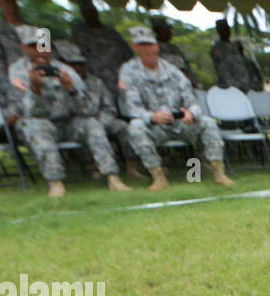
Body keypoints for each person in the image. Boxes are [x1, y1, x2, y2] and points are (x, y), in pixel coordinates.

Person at [7, 26, 129, 196]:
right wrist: (35, 89)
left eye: (43, 45)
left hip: (68, 121)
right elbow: (28, 111)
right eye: (33, 46)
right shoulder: (17, 72)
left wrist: (71, 89)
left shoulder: (65, 70)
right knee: (37, 127)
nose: (39, 51)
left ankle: (113, 177)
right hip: (40, 121)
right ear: (23, 48)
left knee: (92, 124)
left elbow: (85, 109)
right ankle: (56, 183)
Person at [119, 25, 234, 191]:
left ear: (156, 46)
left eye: (149, 45)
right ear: (134, 47)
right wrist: (152, 117)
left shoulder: (172, 70)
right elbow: (131, 107)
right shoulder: (128, 71)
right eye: (142, 45)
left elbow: (192, 100)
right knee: (135, 127)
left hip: (180, 122)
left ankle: (219, 172)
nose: (147, 49)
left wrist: (191, 113)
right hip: (155, 126)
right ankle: (158, 176)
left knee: (208, 122)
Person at [55, 39, 143, 183]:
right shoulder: (59, 85)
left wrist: (101, 120)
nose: (77, 68)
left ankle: (131, 166)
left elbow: (109, 107)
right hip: (76, 123)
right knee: (91, 128)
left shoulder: (96, 82)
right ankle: (94, 168)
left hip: (101, 118)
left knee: (124, 127)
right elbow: (63, 112)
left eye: (80, 65)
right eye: (73, 65)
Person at [69, 0, 133, 100]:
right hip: (93, 83)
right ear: (83, 14)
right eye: (86, 12)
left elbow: (128, 56)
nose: (90, 15)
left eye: (92, 11)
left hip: (116, 80)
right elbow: (72, 56)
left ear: (96, 12)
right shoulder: (79, 34)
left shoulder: (112, 34)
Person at [0, 0, 27, 121]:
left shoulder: (37, 30)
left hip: (34, 79)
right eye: (6, 3)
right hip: (12, 83)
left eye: (13, 3)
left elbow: (46, 58)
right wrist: (7, 86)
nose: (11, 7)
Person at [210, 19, 261, 91]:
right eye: (223, 29)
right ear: (218, 31)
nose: (226, 31)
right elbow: (222, 70)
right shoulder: (217, 48)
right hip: (231, 87)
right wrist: (234, 87)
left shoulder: (234, 46)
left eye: (227, 28)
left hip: (246, 85)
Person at [152, 17, 201, 89]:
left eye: (169, 30)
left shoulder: (174, 48)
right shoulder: (152, 48)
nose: (169, 33)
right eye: (165, 30)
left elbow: (185, 67)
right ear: (158, 32)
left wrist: (192, 82)